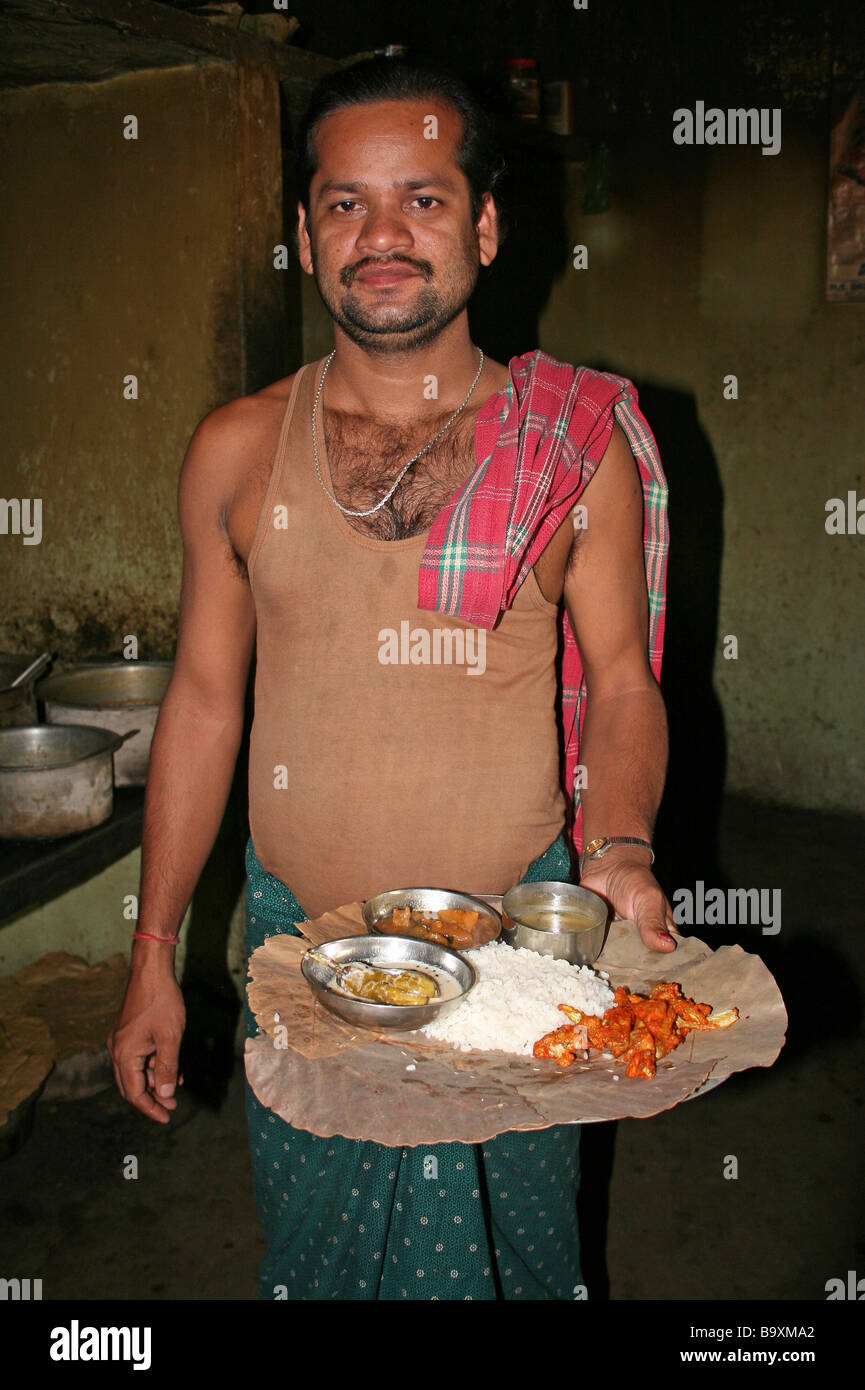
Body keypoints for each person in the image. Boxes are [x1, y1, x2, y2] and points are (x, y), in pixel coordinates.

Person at [108, 57, 677, 1300]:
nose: (380, 236)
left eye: (420, 200)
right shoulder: (237, 449)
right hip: (294, 946)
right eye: (343, 203)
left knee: (519, 1256)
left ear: (481, 225)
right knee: (316, 1261)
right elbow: (204, 705)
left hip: (521, 954)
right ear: (305, 236)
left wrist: (621, 845)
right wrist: (154, 949)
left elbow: (626, 685)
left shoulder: (571, 449)